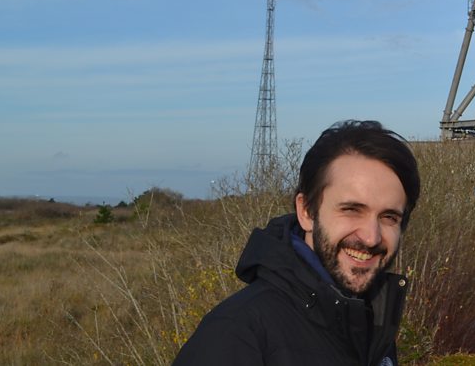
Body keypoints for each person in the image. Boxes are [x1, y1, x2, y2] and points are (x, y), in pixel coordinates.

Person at [174, 120, 421, 366]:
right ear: (306, 212)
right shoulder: (236, 334)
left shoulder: (370, 323)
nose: (371, 237)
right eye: (352, 210)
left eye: (389, 217)